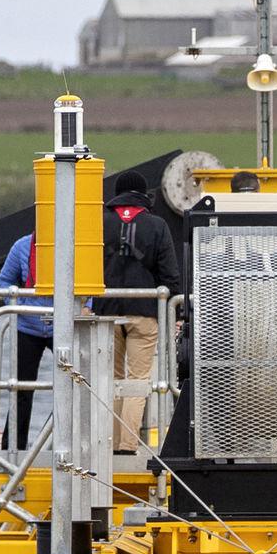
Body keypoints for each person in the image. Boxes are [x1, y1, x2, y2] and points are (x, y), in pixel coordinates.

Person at [99, 171, 183, 452]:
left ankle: (108, 443)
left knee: (109, 379)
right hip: (144, 312)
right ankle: (127, 445)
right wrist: (171, 310)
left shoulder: (100, 222)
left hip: (106, 312)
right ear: (143, 194)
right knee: (137, 380)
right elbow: (171, 277)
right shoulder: (157, 225)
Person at [0, 226, 53, 446]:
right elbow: (5, 280)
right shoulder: (21, 246)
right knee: (20, 388)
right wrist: (19, 306)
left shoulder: (73, 246)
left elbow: (89, 282)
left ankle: (58, 440)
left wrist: (85, 307)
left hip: (64, 326)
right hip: (28, 326)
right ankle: (13, 445)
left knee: (72, 386)